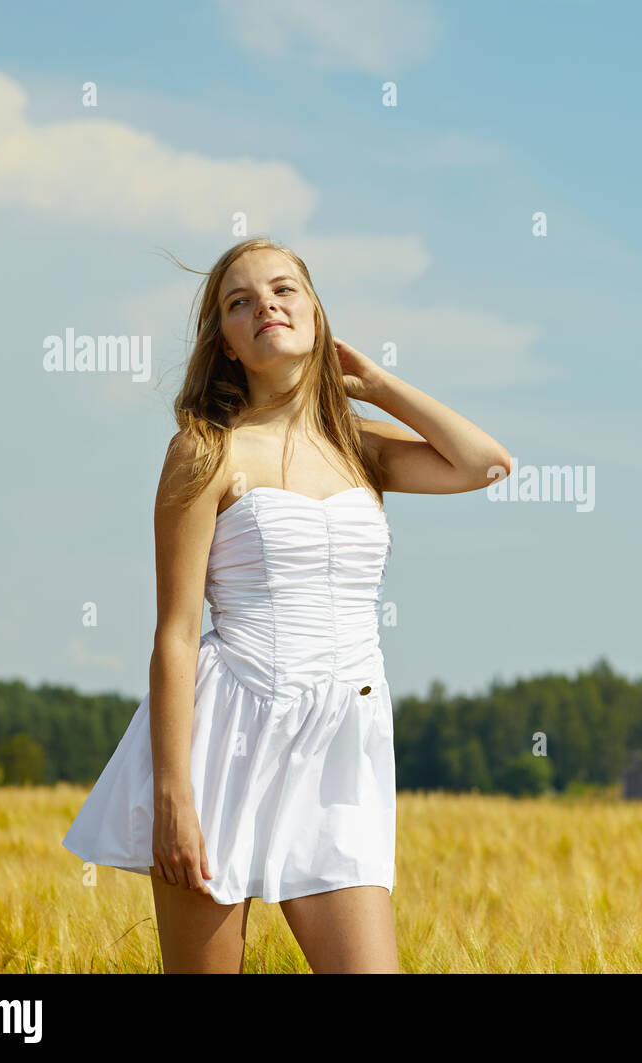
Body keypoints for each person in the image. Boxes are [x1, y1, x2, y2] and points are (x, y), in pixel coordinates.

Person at [63, 237, 511, 973]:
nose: (264, 305)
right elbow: (175, 634)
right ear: (229, 345)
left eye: (283, 290)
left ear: (315, 314)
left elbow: (486, 463)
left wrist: (376, 381)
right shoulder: (205, 451)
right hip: (223, 736)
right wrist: (174, 791)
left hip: (341, 738)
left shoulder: (359, 447)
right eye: (239, 302)